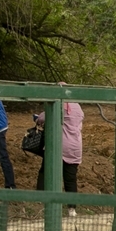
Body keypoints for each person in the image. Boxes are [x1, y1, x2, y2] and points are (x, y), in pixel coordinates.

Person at [34, 83, 84, 216]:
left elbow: (42, 118)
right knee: (70, 179)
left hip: (59, 146)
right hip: (75, 147)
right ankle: (72, 209)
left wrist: (38, 118)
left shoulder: (58, 103)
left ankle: (41, 201)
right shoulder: (77, 106)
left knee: (46, 172)